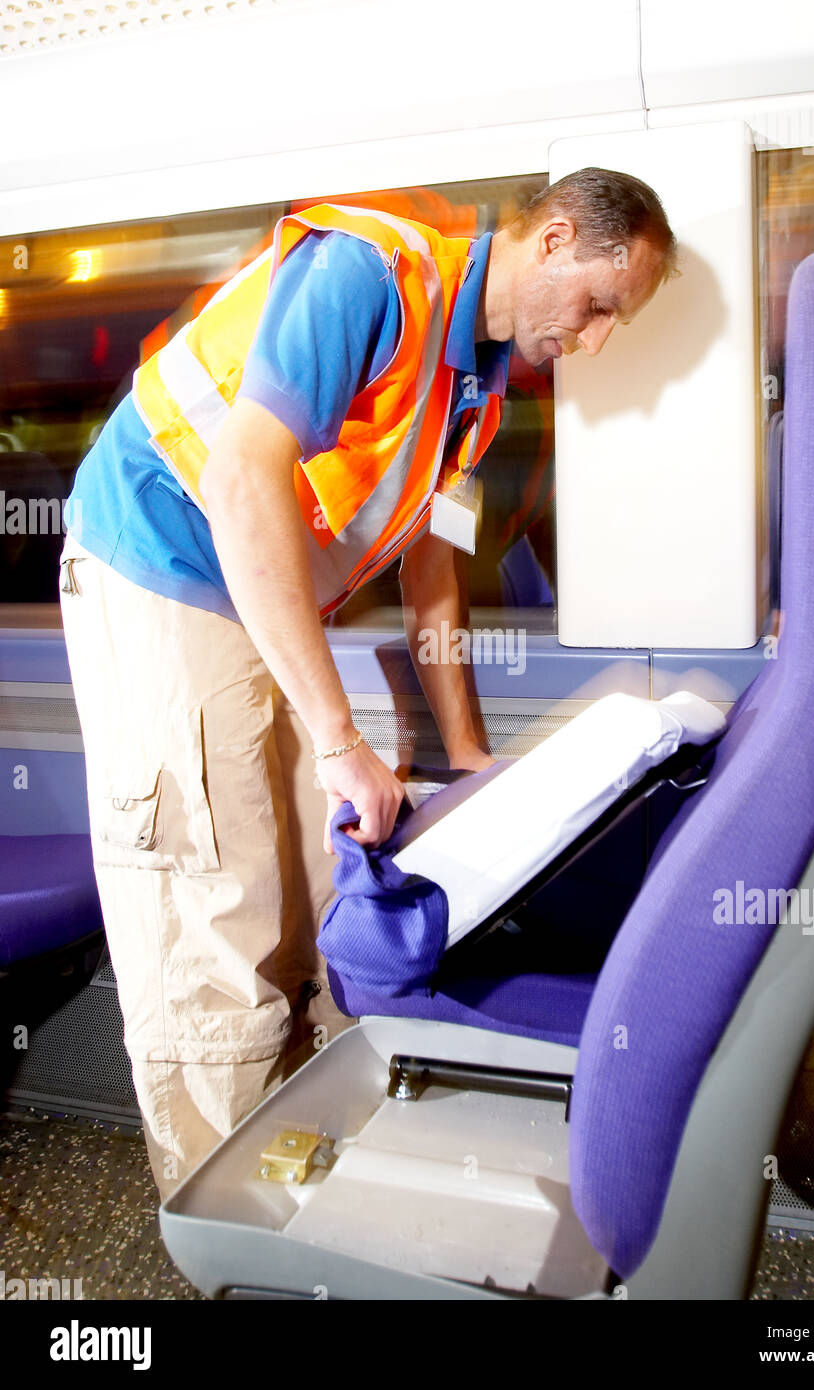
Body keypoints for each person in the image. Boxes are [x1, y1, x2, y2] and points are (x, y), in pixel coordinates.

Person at [58, 168, 678, 1198]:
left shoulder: (472, 397)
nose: (596, 339)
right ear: (556, 237)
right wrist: (342, 739)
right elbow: (241, 475)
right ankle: (233, 1225)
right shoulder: (372, 270)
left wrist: (471, 759)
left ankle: (305, 1182)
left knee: (314, 887)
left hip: (260, 589)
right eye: (599, 304)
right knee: (222, 908)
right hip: (162, 553)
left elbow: (433, 578)